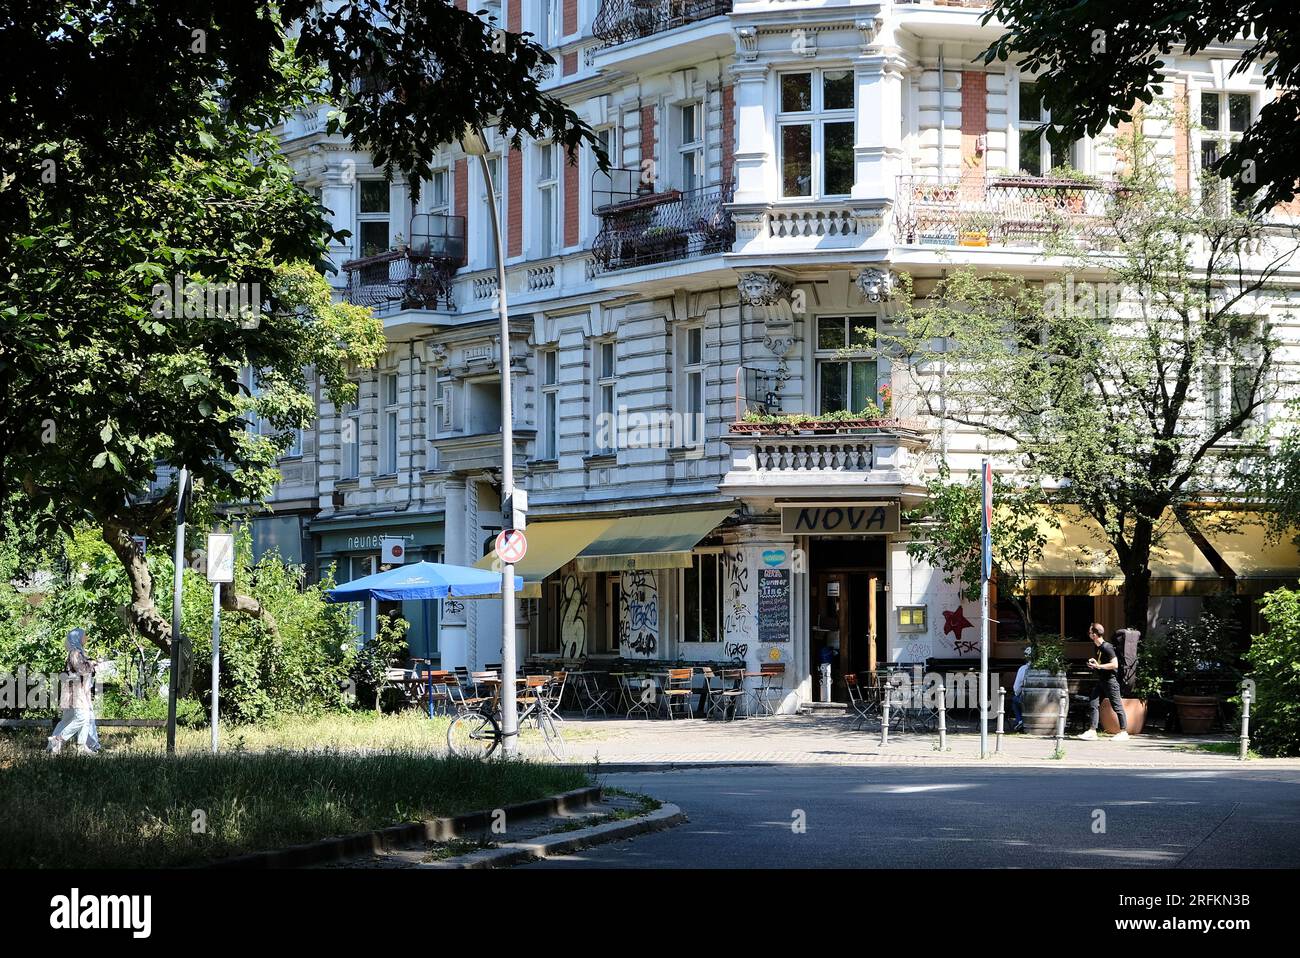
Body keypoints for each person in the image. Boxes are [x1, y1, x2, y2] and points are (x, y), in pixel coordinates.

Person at [47, 628, 101, 755]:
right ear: (77, 638)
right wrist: (93, 664)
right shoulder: (75, 653)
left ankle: (80, 747)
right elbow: (81, 670)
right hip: (75, 692)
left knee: (70, 719)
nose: (86, 638)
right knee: (82, 717)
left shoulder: (78, 652)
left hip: (76, 691)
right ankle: (57, 740)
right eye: (84, 635)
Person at [1077, 622, 1128, 741]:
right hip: (1102, 681)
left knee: (1117, 706)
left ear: (1094, 634)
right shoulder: (1098, 647)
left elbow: (1114, 664)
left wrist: (1099, 666)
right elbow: (1101, 664)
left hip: (1110, 681)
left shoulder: (1107, 647)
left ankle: (1124, 732)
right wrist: (1095, 664)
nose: (1089, 634)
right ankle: (1092, 731)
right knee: (1093, 703)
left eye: (1090, 632)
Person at [1012, 647, 1032, 732]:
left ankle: (1020, 720)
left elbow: (1016, 687)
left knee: (1015, 700)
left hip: (1027, 698)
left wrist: (1017, 694)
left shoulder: (1023, 669)